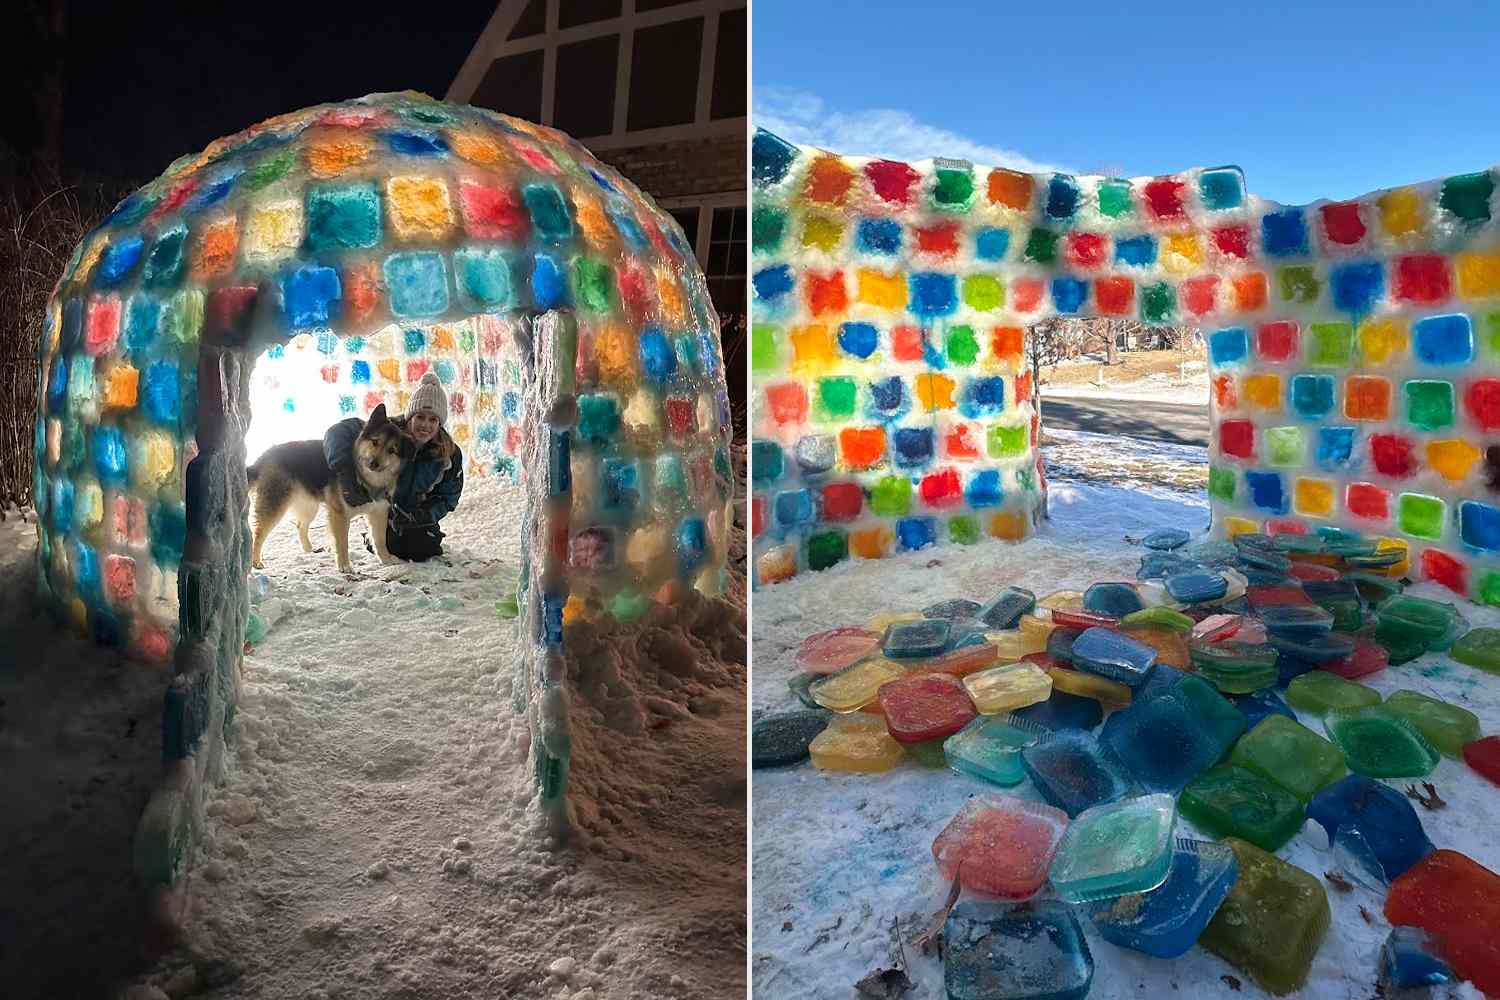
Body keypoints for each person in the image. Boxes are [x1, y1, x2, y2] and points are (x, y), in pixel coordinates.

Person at [324, 371, 464, 562]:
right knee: (391, 543)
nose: (425, 425)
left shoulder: (448, 454)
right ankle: (373, 534)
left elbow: (449, 498)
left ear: (440, 423)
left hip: (415, 516)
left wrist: (423, 515)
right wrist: (344, 471)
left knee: (425, 549)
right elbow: (336, 432)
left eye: (433, 420)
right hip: (384, 509)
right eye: (420, 417)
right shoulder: (387, 431)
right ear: (409, 416)